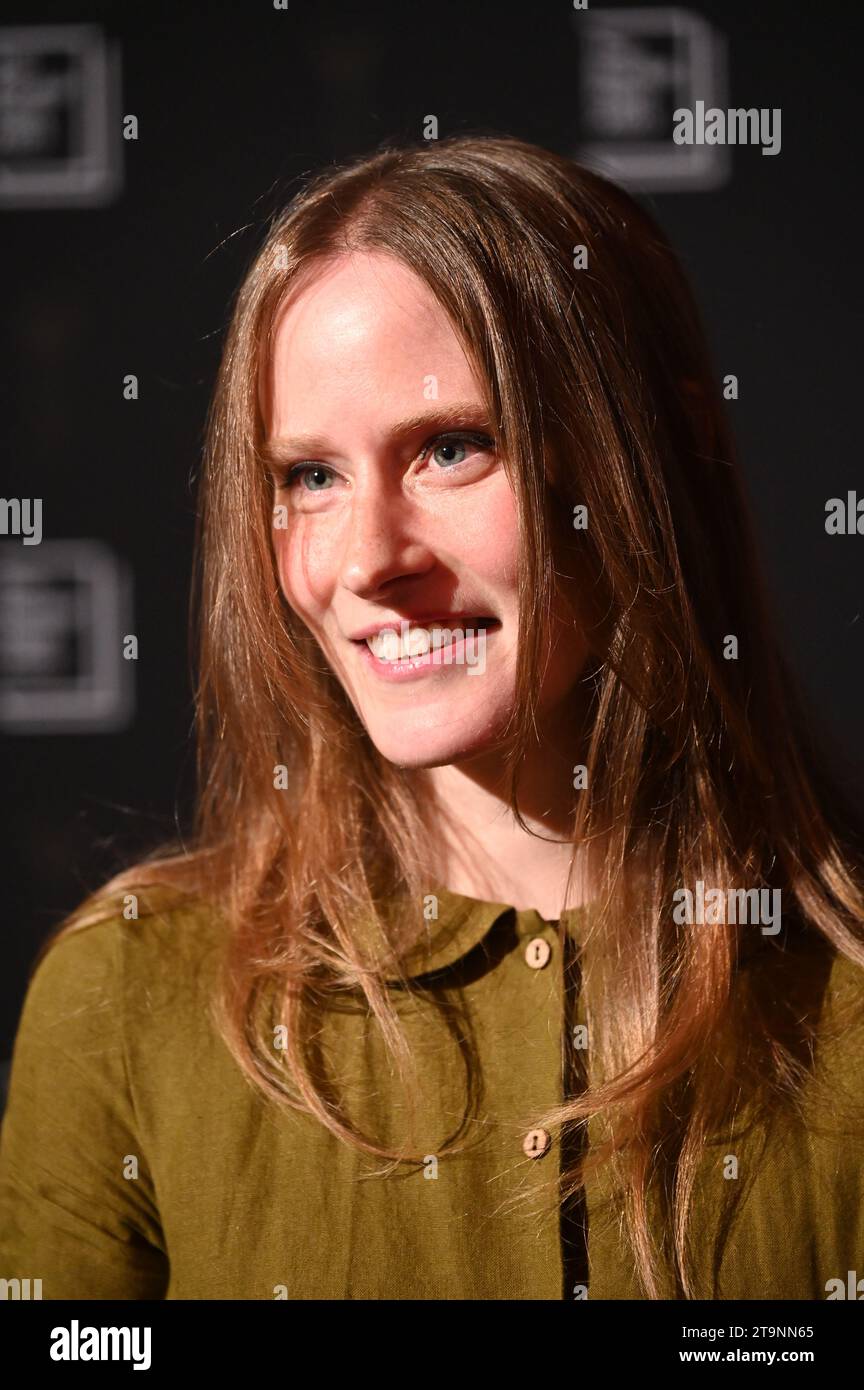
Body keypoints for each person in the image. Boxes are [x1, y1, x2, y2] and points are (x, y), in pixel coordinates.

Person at [2, 134, 863, 1302]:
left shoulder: (843, 993)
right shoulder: (126, 1001)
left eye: (452, 449)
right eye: (311, 476)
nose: (367, 560)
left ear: (639, 460)